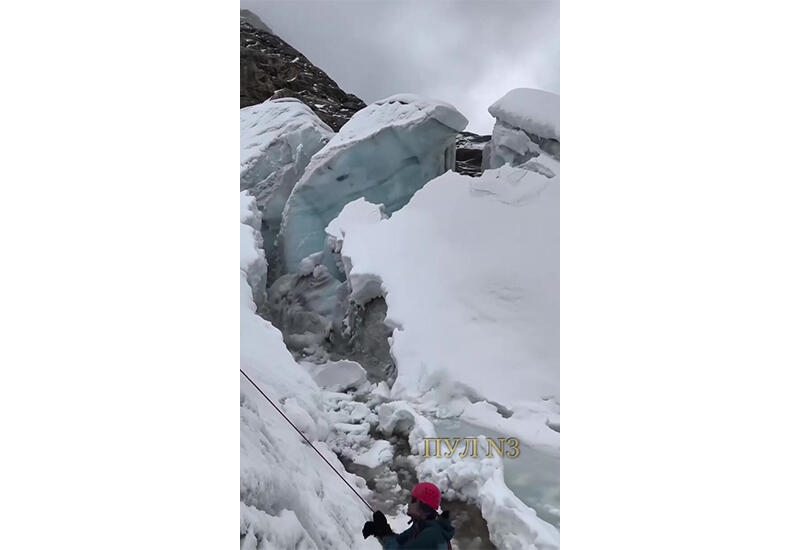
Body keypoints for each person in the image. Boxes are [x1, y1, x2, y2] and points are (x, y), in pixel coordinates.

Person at [362, 482, 455, 549]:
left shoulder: (430, 536)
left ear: (424, 508)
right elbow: (400, 541)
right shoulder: (421, 525)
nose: (409, 503)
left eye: (413, 500)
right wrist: (383, 532)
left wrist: (383, 532)